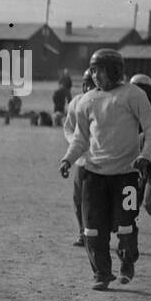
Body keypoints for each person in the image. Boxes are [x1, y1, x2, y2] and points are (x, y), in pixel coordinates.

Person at [59, 48, 151, 289]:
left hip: (126, 176)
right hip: (93, 176)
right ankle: (101, 274)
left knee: (125, 225)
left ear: (114, 71)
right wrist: (68, 159)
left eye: (99, 70)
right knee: (92, 230)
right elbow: (80, 139)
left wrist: (145, 156)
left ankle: (127, 262)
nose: (95, 75)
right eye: (92, 70)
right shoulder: (86, 101)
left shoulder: (133, 95)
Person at [63, 70, 95, 246]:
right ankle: (83, 233)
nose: (90, 87)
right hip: (83, 160)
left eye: (93, 83)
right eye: (87, 83)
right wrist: (76, 143)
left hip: (103, 160)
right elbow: (68, 128)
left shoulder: (106, 102)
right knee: (78, 199)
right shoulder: (75, 102)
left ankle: (99, 232)